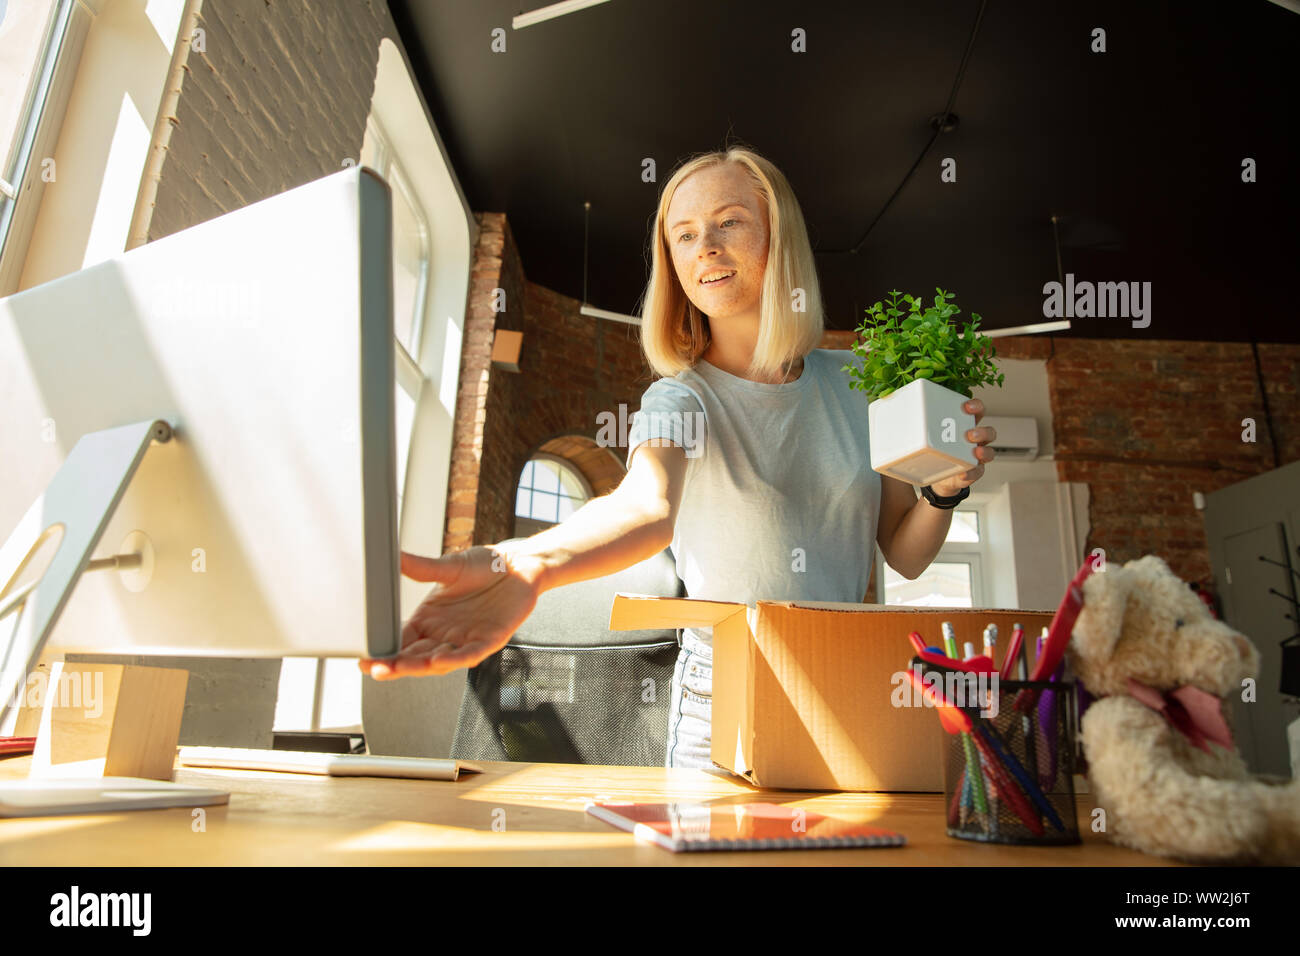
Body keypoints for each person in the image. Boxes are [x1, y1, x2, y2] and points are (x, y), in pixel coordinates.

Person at [358, 146, 997, 768]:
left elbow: (904, 555)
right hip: (721, 696)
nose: (706, 250)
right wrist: (525, 561)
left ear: (781, 238)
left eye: (729, 223)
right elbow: (646, 506)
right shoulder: (681, 398)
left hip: (844, 680)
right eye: (683, 236)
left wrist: (943, 492)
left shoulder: (861, 383)